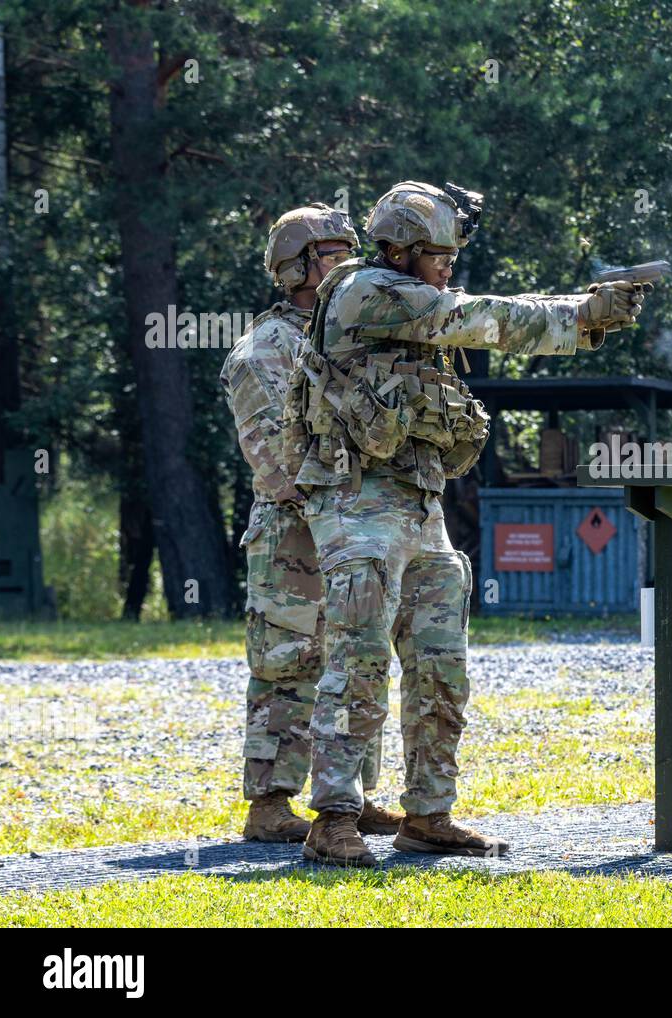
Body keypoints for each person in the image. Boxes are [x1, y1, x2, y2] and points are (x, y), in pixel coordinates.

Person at [287, 180, 646, 866]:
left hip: (416, 501)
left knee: (440, 663)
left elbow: (470, 312)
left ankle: (429, 815)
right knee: (357, 658)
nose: (448, 264)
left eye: (450, 252)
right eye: (437, 252)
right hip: (356, 502)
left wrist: (588, 314)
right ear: (402, 250)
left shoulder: (411, 299)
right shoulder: (368, 291)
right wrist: (583, 314)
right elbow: (481, 316)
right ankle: (332, 820)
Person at [219, 202, 404, 842]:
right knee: (286, 663)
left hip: (354, 532)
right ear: (294, 265)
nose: (347, 263)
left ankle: (348, 796)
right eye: (330, 253)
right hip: (293, 538)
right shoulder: (262, 351)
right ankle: (269, 802)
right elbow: (274, 463)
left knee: (356, 660)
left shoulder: (352, 336)